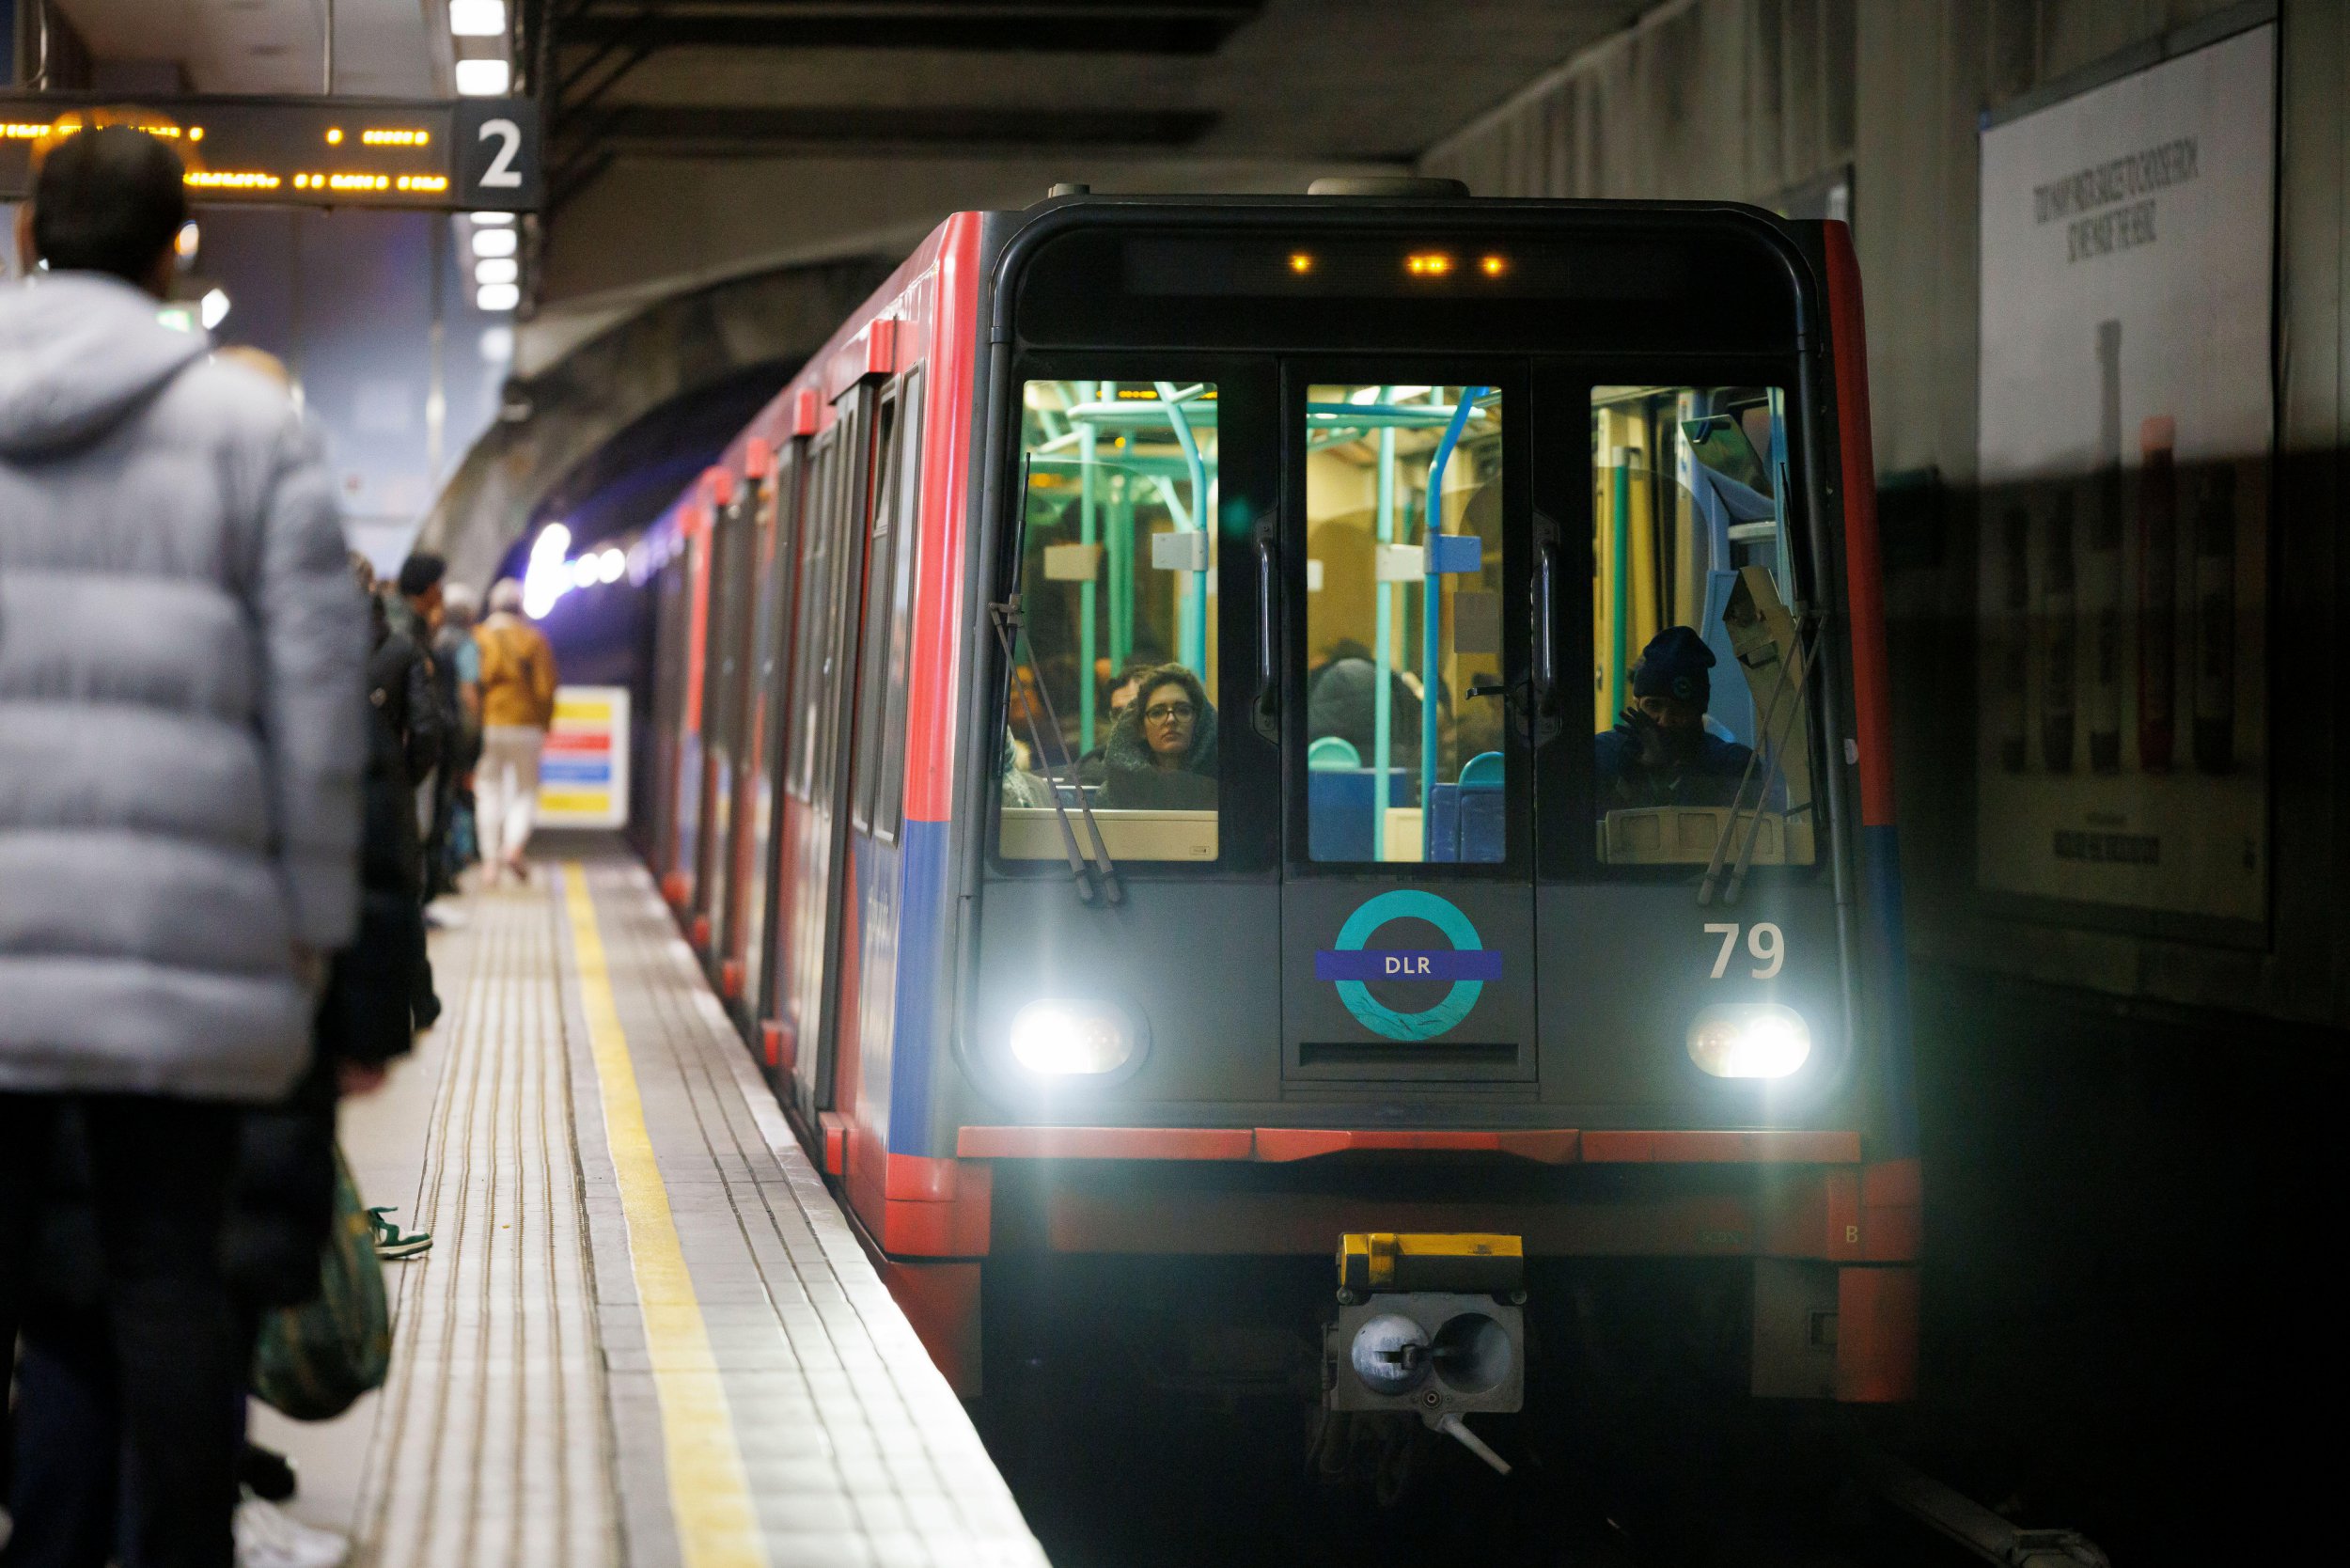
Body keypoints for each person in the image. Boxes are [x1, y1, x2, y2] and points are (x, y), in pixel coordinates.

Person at [0, 126, 363, 1566]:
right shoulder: (253, 430)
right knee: (169, 1286)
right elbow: (319, 703)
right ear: (177, 254)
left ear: (31, 237)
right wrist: (311, 931)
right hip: (186, 953)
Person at [8, 551, 425, 1568]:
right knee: (200, 1314)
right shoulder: (284, 634)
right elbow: (359, 829)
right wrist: (366, 1026)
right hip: (238, 1039)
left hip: (64, 1035)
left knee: (68, 1319)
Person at [1592, 625, 1754, 808]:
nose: (1664, 720)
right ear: (1637, 704)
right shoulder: (1601, 757)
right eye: (1653, 705)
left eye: (1679, 710)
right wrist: (1634, 777)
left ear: (1699, 712)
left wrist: (1665, 772)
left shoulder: (1734, 767)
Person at [472, 576, 558, 885]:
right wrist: (545, 723)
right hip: (526, 726)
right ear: (519, 607)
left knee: (487, 789)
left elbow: (473, 683)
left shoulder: (480, 638)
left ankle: (490, 862)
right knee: (525, 791)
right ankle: (513, 846)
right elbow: (546, 690)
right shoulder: (534, 640)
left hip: (489, 723)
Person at [1090, 663, 1217, 810]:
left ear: (1199, 721)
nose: (1171, 720)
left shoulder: (1226, 787)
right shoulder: (1114, 795)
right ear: (1141, 728)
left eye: (1183, 710)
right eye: (1157, 712)